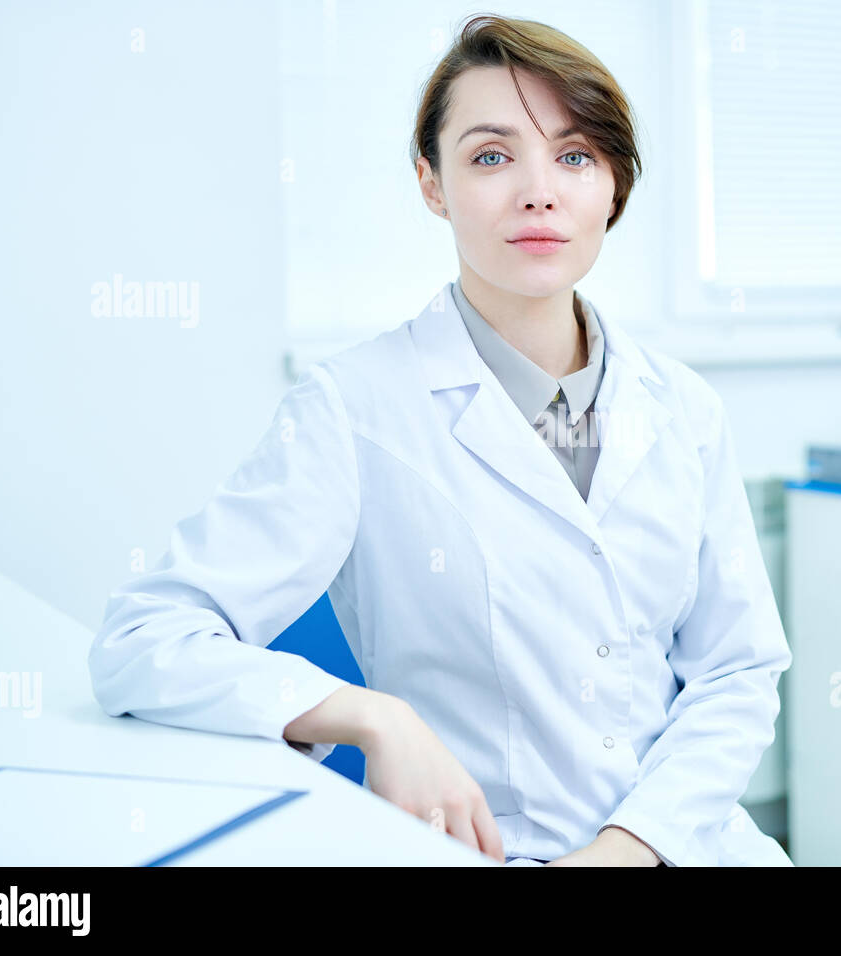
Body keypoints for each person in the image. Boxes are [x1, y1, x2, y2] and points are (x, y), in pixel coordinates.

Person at [89, 13, 792, 867]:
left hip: (688, 845)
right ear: (432, 182)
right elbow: (142, 641)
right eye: (491, 156)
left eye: (574, 156)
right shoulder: (352, 411)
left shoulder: (684, 409)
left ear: (613, 185)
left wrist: (629, 846)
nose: (539, 192)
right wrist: (371, 716)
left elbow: (737, 672)